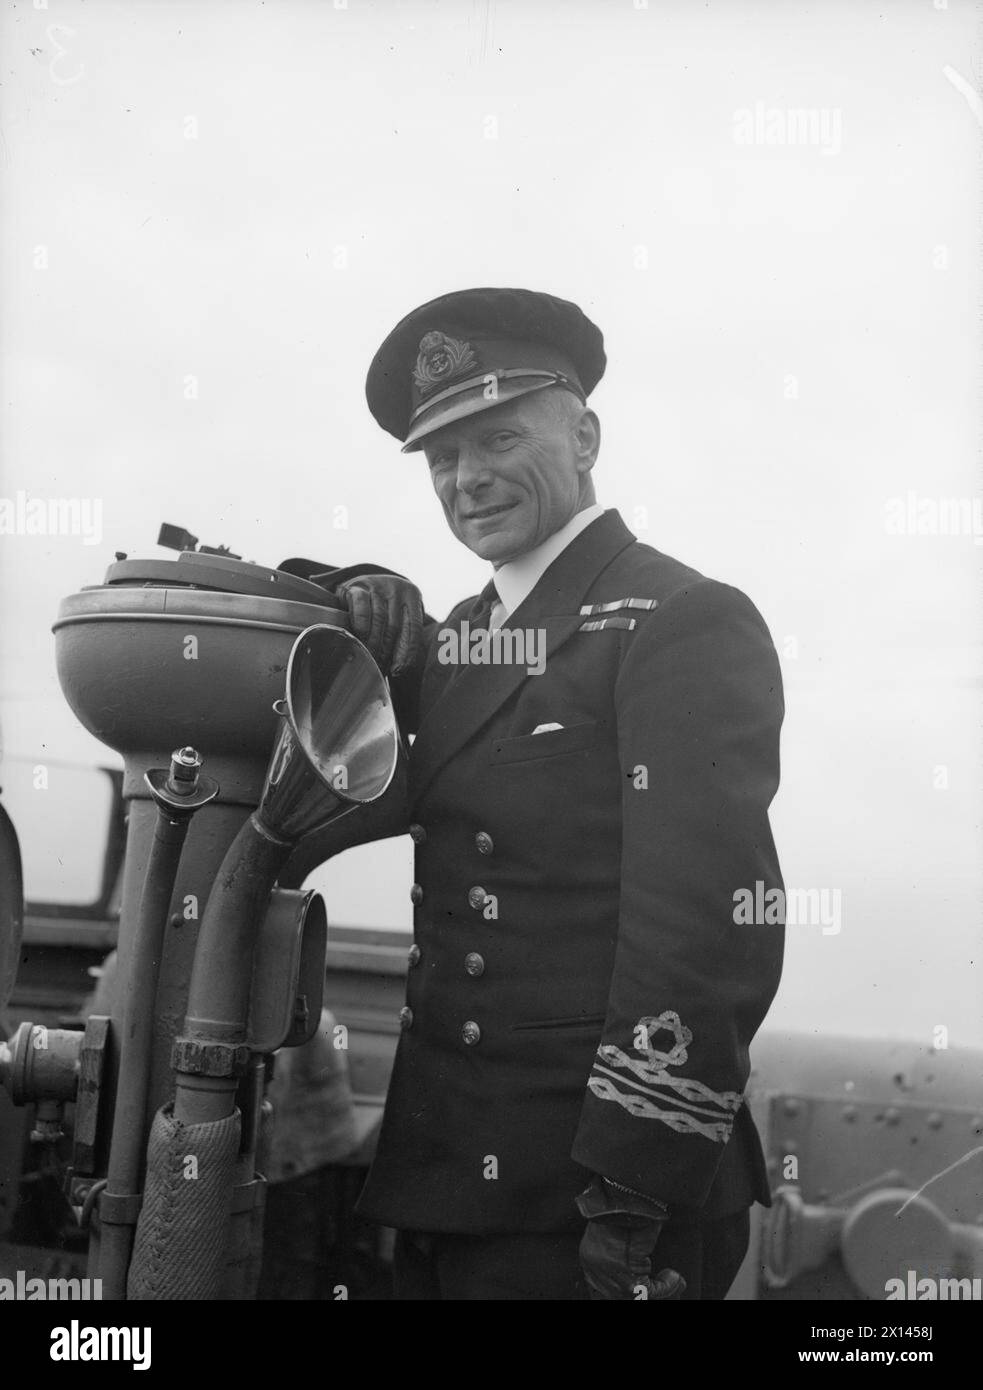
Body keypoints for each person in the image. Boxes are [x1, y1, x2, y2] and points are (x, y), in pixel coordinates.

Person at [311, 287, 785, 1300]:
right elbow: (365, 765)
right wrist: (344, 589)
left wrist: (628, 1196)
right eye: (440, 457)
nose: (466, 479)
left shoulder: (677, 620)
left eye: (495, 437)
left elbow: (702, 930)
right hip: (454, 1189)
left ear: (583, 434)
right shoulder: (464, 638)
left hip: (593, 1204)